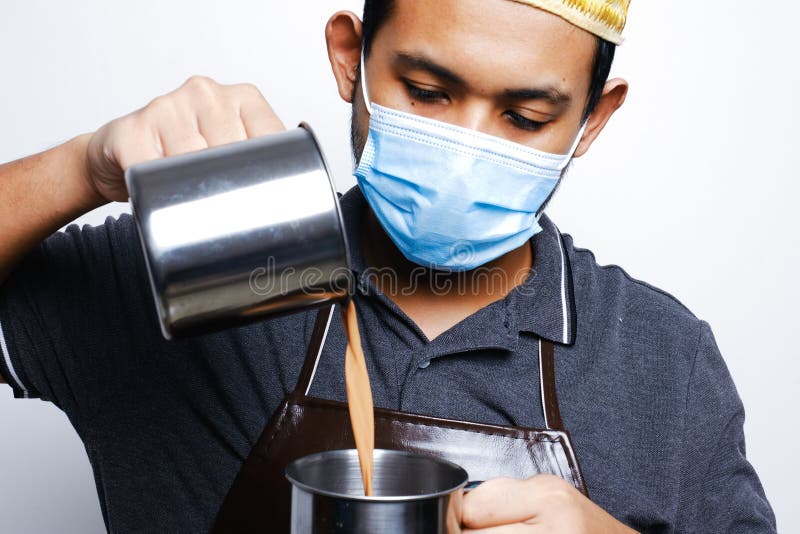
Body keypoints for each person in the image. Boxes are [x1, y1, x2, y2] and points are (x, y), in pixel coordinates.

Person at [0, 0, 777, 532]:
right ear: (351, 58)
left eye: (526, 117)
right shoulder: (205, 268)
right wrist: (82, 169)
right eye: (429, 91)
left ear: (593, 118)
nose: (468, 151)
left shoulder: (661, 360)